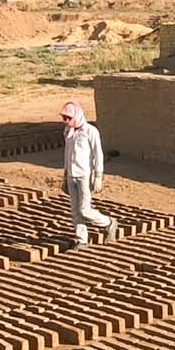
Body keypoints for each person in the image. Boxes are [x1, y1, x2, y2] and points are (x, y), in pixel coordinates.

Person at [59, 101, 111, 247]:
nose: (66, 121)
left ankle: (108, 223)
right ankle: (82, 241)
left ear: (76, 115)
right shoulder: (68, 131)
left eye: (68, 117)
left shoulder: (90, 131)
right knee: (75, 212)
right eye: (64, 118)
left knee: (85, 210)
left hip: (85, 176)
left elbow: (98, 155)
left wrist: (98, 177)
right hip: (71, 175)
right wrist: (65, 176)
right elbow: (67, 155)